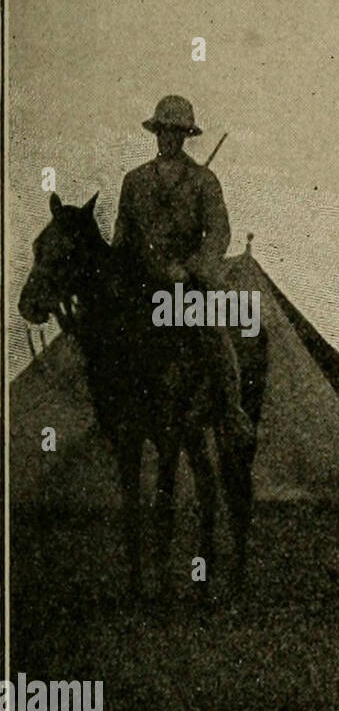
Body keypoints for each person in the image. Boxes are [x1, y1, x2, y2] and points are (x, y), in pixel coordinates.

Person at [112, 95, 254, 447]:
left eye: (176, 132)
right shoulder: (135, 181)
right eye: (163, 131)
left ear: (186, 136)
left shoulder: (204, 180)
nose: (168, 139)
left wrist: (191, 267)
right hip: (144, 279)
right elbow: (122, 235)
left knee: (215, 333)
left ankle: (232, 408)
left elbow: (219, 232)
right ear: (156, 133)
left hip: (186, 284)